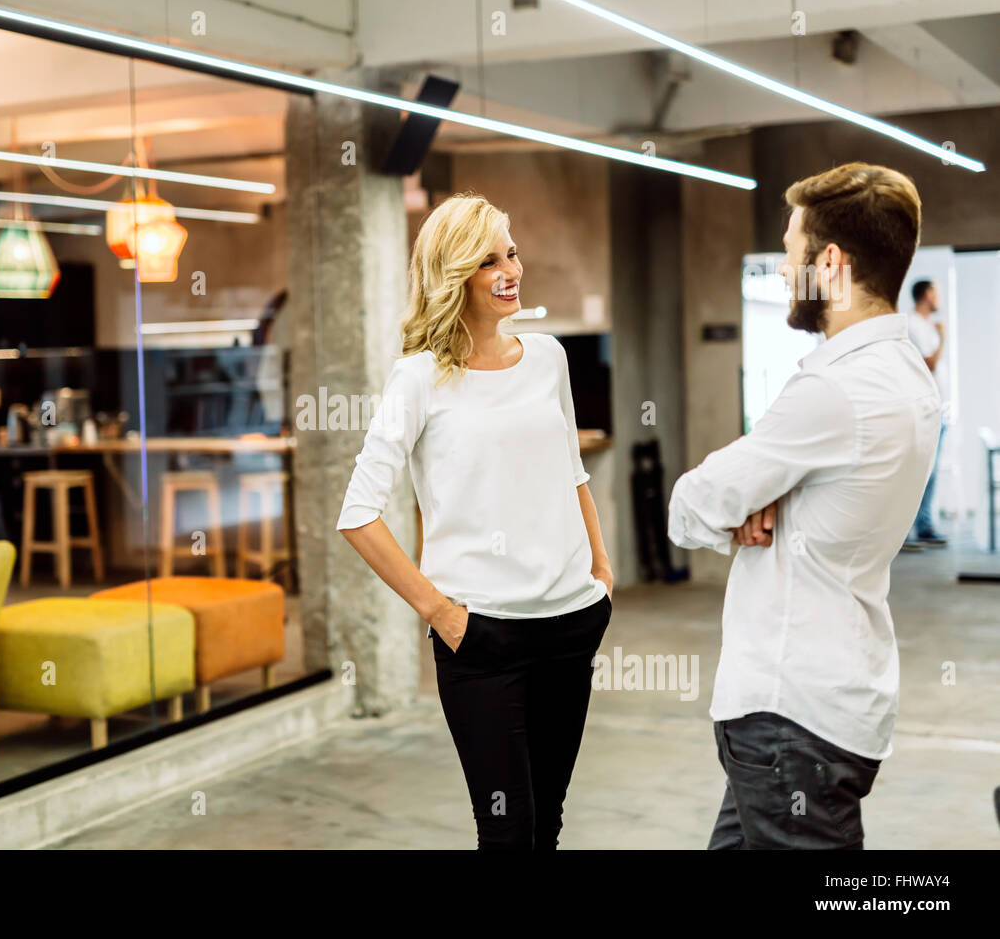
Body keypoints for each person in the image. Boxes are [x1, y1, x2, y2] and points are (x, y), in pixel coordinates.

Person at [667, 163, 940, 849]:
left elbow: (691, 504)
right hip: (823, 706)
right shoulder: (906, 376)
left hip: (791, 719)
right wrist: (757, 501)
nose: (785, 273)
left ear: (830, 262)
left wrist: (741, 505)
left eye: (790, 255)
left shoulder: (832, 392)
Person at [337, 192, 613, 850]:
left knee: (546, 822)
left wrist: (601, 574)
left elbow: (572, 472)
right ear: (453, 275)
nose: (509, 270)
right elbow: (358, 514)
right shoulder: (420, 379)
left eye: (511, 253)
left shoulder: (549, 358)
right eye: (488, 261)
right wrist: (439, 611)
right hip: (482, 639)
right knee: (507, 831)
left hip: (572, 622)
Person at [903, 278, 949, 549]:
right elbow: (929, 363)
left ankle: (924, 526)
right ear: (926, 295)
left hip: (938, 409)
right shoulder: (912, 326)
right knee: (920, 471)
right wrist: (943, 339)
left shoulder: (928, 327)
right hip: (923, 412)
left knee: (931, 472)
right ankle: (908, 531)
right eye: (937, 292)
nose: (939, 297)